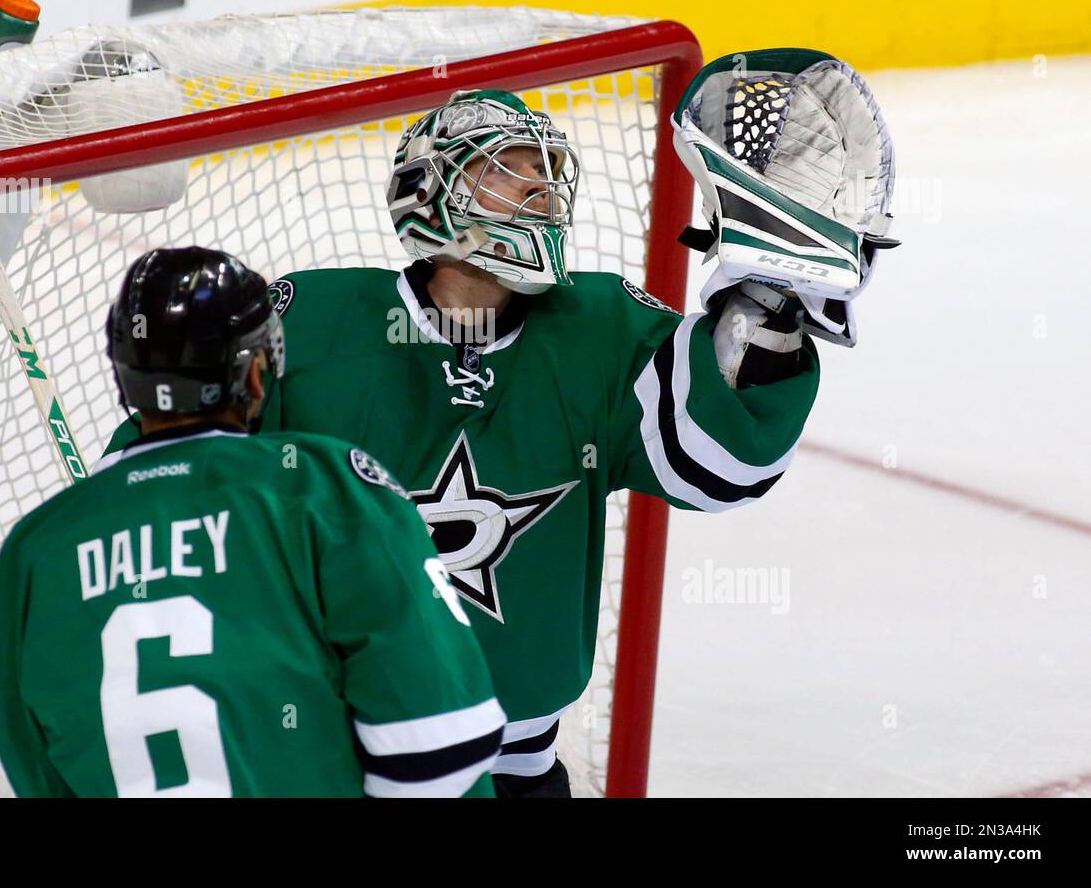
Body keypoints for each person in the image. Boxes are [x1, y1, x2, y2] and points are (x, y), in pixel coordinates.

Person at [111, 52, 894, 797]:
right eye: (505, 169)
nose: (540, 190)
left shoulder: (601, 329)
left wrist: (764, 307)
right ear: (429, 189)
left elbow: (720, 466)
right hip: (337, 754)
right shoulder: (316, 320)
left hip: (521, 763)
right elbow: (175, 473)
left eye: (546, 172)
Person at [0, 246, 506, 797]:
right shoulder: (323, 486)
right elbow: (443, 747)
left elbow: (36, 775)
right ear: (257, 373)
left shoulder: (32, 551)